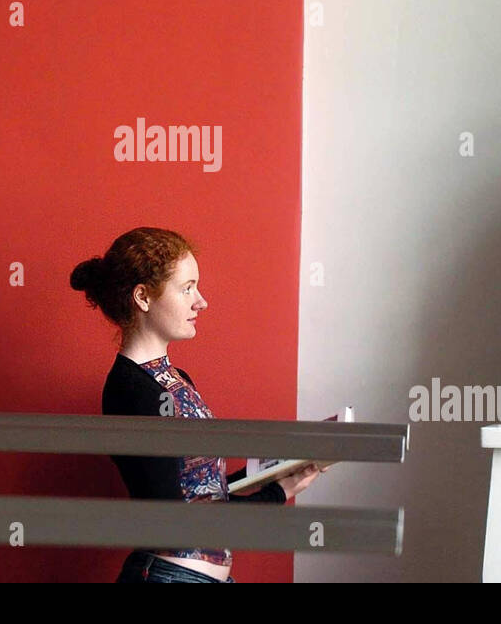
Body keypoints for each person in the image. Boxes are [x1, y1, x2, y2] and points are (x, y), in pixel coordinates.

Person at [71, 226, 320, 583]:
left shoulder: (175, 378)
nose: (200, 301)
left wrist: (278, 474)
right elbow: (176, 520)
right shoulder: (133, 390)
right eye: (187, 288)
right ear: (143, 297)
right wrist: (277, 494)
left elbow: (200, 492)